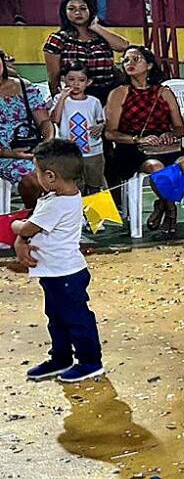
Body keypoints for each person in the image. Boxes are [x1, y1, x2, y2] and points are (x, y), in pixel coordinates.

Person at [14, 140, 103, 384]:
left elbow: (27, 226)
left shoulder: (58, 204)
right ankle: (61, 357)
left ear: (51, 176)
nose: (36, 176)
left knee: (76, 319)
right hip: (54, 272)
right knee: (56, 317)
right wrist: (22, 240)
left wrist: (15, 228)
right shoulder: (58, 197)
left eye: (37, 171)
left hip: (65, 274)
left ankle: (90, 361)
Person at [105, 46, 184, 237]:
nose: (130, 64)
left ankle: (161, 204)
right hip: (132, 147)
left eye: (136, 59)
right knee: (157, 168)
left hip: (163, 145)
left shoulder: (164, 92)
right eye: (126, 60)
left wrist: (169, 135)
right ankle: (171, 210)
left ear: (150, 65)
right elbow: (110, 133)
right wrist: (138, 139)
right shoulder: (119, 93)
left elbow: (181, 128)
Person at [42, 0, 131, 102]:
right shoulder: (58, 39)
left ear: (90, 11)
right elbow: (54, 76)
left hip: (108, 94)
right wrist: (58, 100)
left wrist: (96, 27)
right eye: (72, 9)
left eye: (83, 8)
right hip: (75, 96)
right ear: (64, 12)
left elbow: (123, 46)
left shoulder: (101, 36)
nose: (78, 12)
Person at [0, 49, 55, 209]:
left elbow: (44, 121)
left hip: (33, 148)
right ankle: (35, 219)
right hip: (4, 154)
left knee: (62, 171)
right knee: (33, 178)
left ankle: (58, 220)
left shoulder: (25, 87)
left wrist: (46, 145)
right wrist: (10, 154)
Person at [51, 65, 106, 193]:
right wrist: (62, 97)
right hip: (69, 153)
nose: (76, 84)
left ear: (88, 82)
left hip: (93, 152)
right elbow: (54, 120)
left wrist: (101, 127)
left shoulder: (94, 102)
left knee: (95, 186)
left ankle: (93, 212)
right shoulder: (60, 99)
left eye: (81, 80)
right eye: (71, 79)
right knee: (73, 186)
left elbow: (101, 121)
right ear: (64, 80)